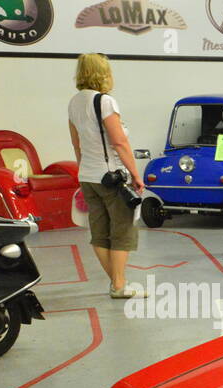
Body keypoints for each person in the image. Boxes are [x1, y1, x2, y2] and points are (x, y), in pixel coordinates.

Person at [67, 53, 144, 299]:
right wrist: (136, 174)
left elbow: (76, 144)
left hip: (88, 176)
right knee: (122, 230)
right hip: (111, 177)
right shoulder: (105, 102)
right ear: (103, 73)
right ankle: (119, 285)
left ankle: (117, 283)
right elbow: (119, 142)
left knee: (99, 232)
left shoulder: (74, 102)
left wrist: (84, 170)